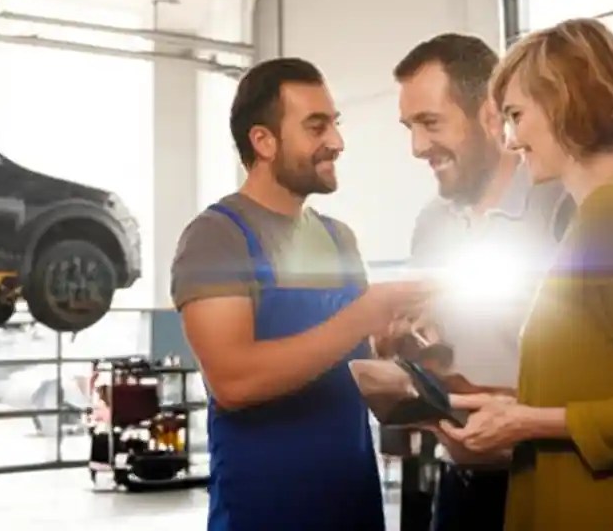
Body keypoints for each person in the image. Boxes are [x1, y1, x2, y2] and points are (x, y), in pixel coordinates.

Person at [381, 32, 613, 531]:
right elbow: (598, 376)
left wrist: (526, 421)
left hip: (604, 501)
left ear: (562, 105)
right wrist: (501, 405)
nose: (510, 137)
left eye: (517, 116)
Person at [172, 57, 427, 531]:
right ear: (263, 141)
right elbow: (234, 382)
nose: (337, 142)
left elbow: (361, 355)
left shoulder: (339, 238)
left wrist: (398, 339)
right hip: (264, 514)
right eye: (316, 127)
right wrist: (366, 312)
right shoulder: (216, 238)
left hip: (353, 506)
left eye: (335, 123)